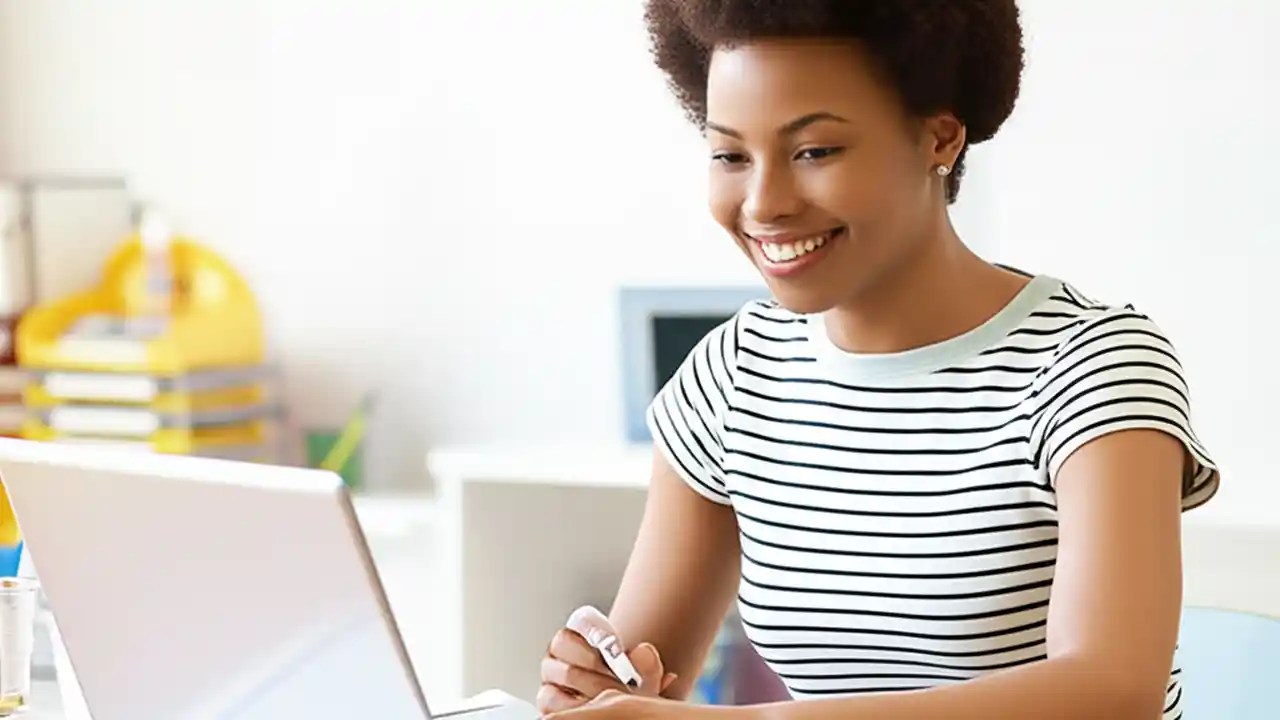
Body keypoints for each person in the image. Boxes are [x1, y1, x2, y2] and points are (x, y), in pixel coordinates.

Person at [538, 1, 1218, 718]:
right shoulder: (734, 376)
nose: (764, 203)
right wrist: (592, 688)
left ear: (940, 138)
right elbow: (643, 683)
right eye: (731, 154)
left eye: (815, 151)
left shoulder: (1092, 368)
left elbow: (1110, 694)